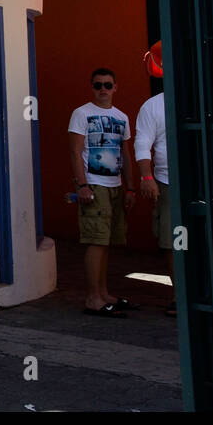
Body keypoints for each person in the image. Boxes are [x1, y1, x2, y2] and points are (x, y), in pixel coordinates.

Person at [69, 67, 137, 317]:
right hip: (94, 185)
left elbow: (126, 154)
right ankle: (92, 298)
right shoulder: (81, 113)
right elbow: (75, 151)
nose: (103, 90)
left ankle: (104, 292)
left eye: (107, 85)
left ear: (115, 87)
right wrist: (82, 185)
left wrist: (130, 187)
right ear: (92, 87)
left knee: (107, 242)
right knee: (95, 241)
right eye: (98, 85)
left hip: (116, 186)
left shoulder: (122, 116)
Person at [135, 41, 175, 317]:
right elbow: (142, 144)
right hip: (167, 182)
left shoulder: (204, 95)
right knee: (171, 241)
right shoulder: (152, 106)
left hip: (202, 183)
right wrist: (147, 177)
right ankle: (180, 293)